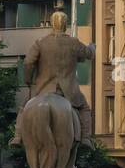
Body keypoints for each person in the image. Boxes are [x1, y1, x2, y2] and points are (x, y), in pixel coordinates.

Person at [12, 11, 93, 149]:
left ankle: (18, 136)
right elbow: (89, 54)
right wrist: (92, 46)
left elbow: (28, 62)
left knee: (24, 108)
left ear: (51, 24)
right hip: (68, 90)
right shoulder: (73, 43)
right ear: (65, 25)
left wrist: (29, 81)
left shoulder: (40, 43)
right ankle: (86, 138)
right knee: (84, 108)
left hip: (43, 88)